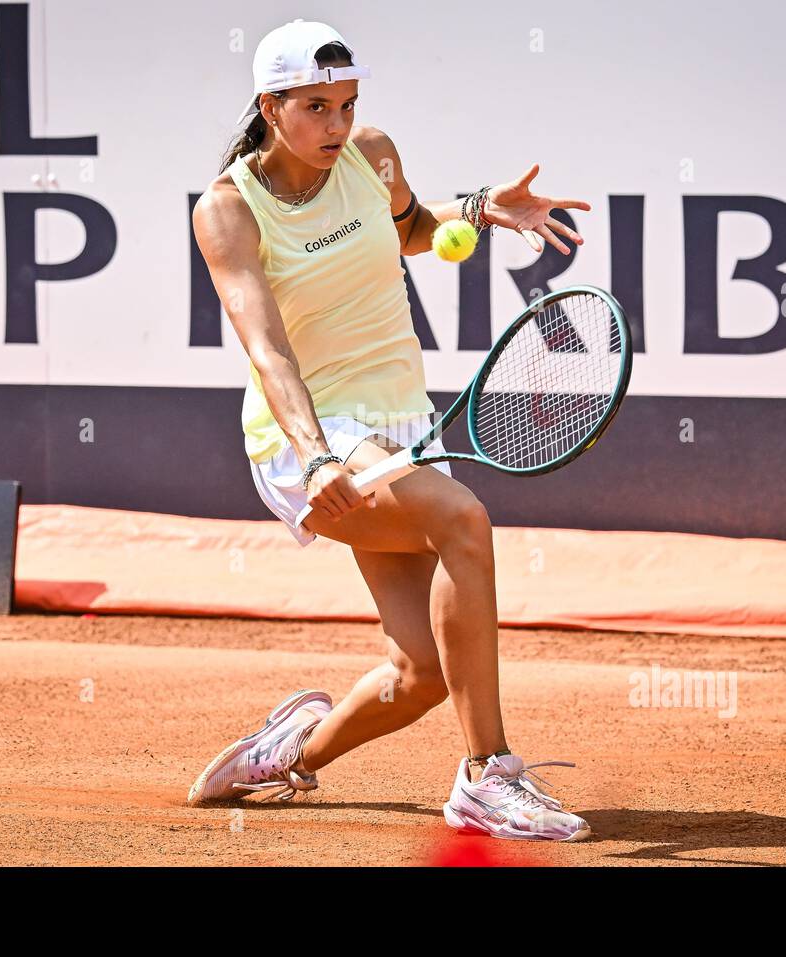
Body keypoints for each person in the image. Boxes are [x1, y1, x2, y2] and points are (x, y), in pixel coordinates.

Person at [187, 19, 594, 842]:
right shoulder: (228, 210)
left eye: (347, 104)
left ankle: (289, 753)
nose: (336, 125)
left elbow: (409, 229)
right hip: (307, 438)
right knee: (463, 519)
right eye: (315, 107)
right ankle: (488, 776)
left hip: (399, 423)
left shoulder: (370, 153)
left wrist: (480, 208)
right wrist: (314, 453)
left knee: (423, 674)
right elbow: (265, 344)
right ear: (270, 107)